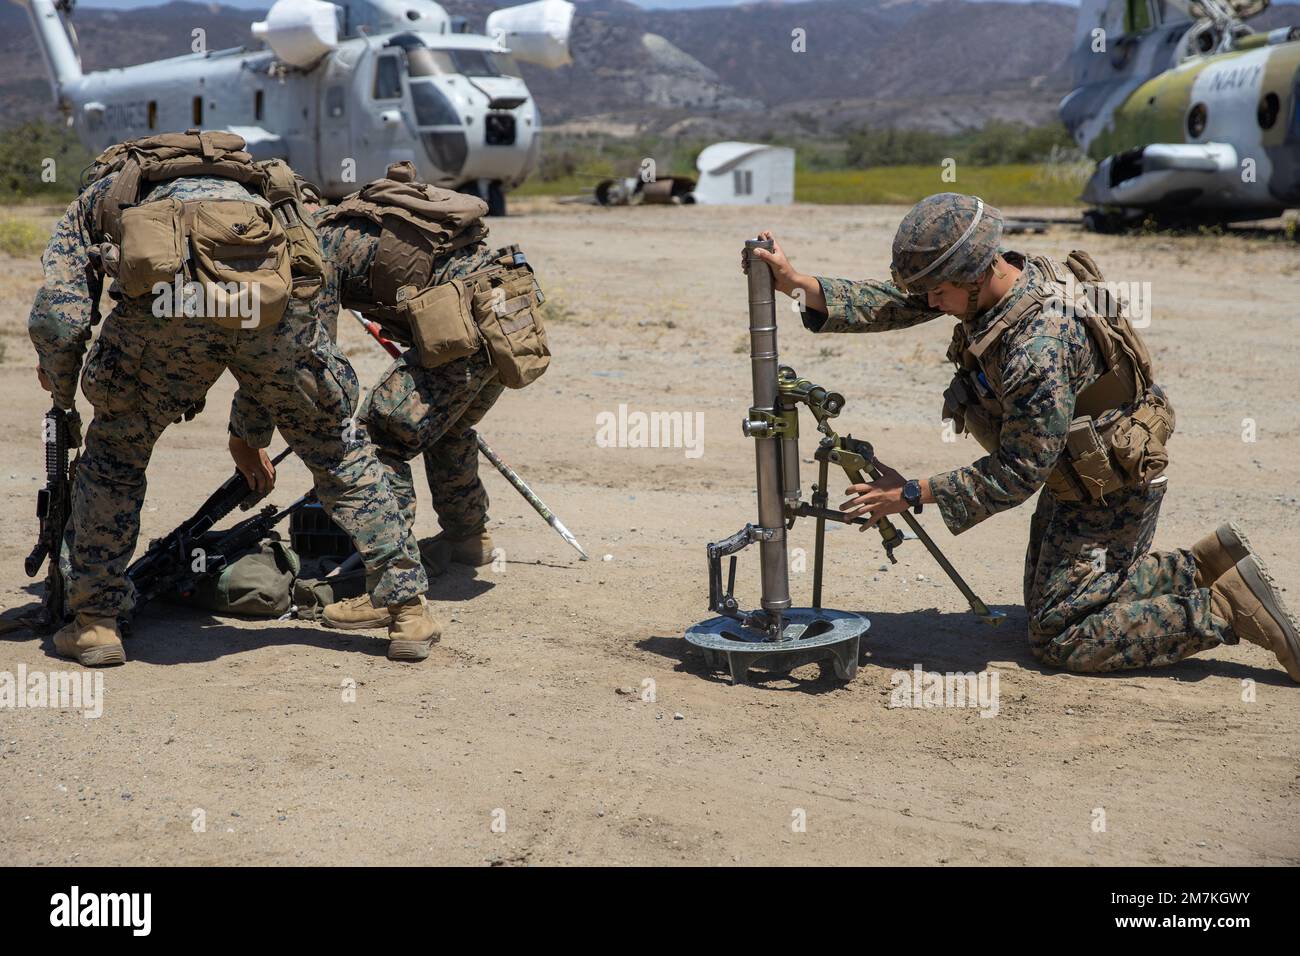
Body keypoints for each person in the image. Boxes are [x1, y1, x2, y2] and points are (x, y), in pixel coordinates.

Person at [750, 192, 1299, 681]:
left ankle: (1222, 610)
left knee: (1060, 636)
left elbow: (1019, 470)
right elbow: (901, 300)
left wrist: (911, 493)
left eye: (937, 293)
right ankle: (1202, 563)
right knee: (1046, 605)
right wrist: (801, 285)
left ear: (970, 277)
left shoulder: (1037, 347)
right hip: (1076, 477)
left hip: (1110, 488)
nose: (931, 304)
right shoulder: (1000, 279)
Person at [29, 131, 438, 665]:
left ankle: (97, 623)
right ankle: (408, 611)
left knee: (115, 459)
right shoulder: (271, 190)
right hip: (271, 314)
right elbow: (318, 289)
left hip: (166, 311)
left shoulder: (107, 194)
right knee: (339, 452)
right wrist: (288, 403)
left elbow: (59, 317)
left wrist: (62, 393)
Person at [303, 162, 548, 629]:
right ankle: (467, 536)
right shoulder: (360, 217)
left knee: (381, 435)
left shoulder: (316, 242)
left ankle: (387, 590)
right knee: (449, 427)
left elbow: (316, 348)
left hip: (464, 328)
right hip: (507, 312)